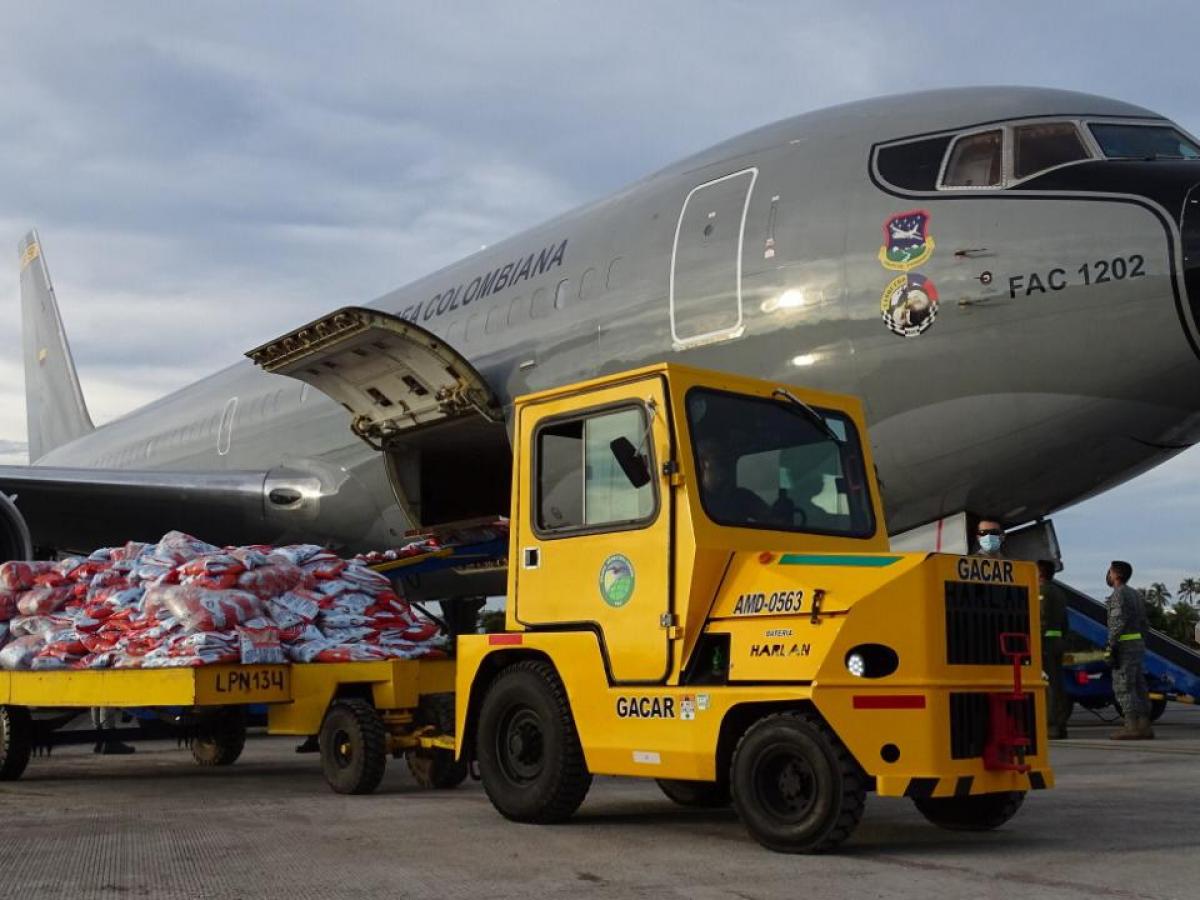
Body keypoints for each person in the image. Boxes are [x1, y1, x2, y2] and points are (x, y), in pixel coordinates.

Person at [1105, 560, 1153, 740]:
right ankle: (1144, 725)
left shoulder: (1119, 594)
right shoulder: (1136, 595)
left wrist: (1110, 646)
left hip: (1124, 647)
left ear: (1116, 575)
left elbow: (1117, 623)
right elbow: (1144, 624)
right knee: (1139, 685)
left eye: (1110, 572)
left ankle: (1131, 727)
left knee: (1123, 686)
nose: (1108, 575)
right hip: (1137, 645)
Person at [696, 439, 772, 523]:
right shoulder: (694, 499)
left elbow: (771, 518)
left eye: (726, 460)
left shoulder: (741, 497)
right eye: (719, 459)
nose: (725, 466)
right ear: (702, 464)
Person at [1037, 560, 1070, 739]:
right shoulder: (1059, 592)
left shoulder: (1042, 592)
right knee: (1058, 684)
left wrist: (1036, 641)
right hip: (1057, 641)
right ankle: (1061, 723)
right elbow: (1065, 622)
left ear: (1040, 573)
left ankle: (1051, 725)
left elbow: (1041, 618)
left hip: (1045, 642)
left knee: (1048, 685)